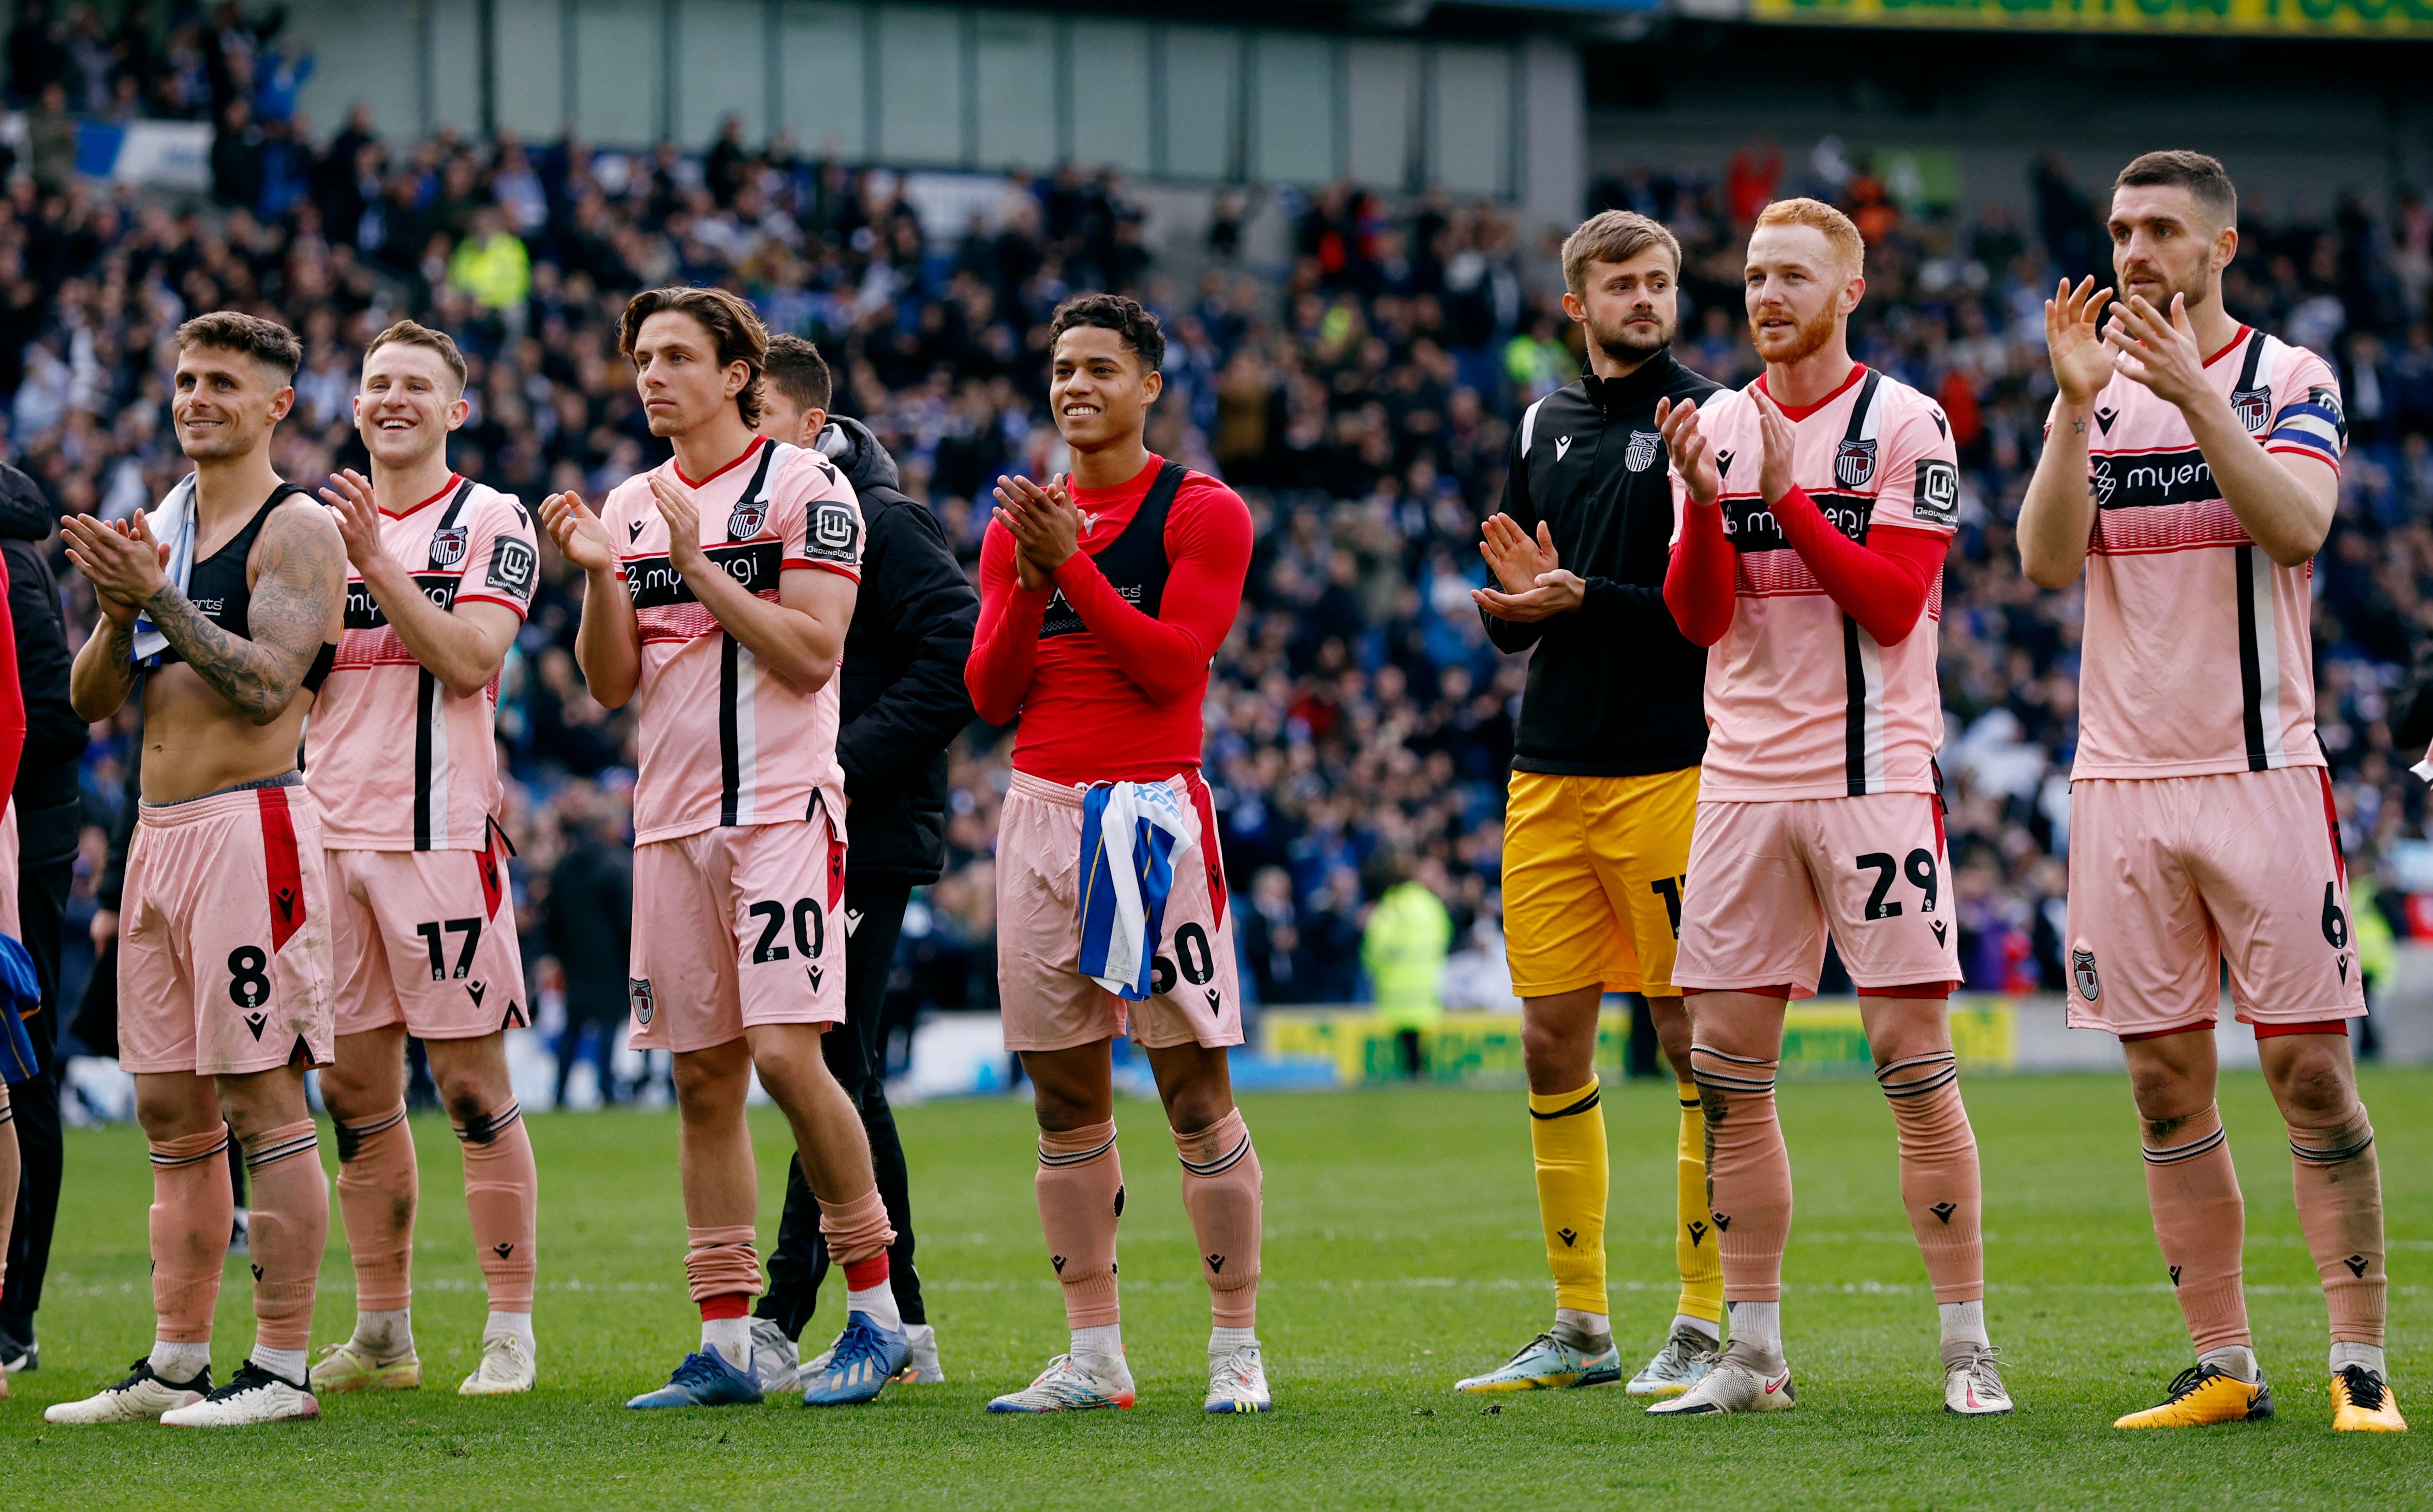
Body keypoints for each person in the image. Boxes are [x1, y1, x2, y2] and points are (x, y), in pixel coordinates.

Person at [2016, 151, 2404, 1433]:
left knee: (2305, 1072)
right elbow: (2042, 559)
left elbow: (2294, 527)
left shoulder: (2289, 378)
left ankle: (2359, 1360)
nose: (2132, 250)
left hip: (2260, 772)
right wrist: (2075, 410)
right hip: (2120, 782)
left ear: (2218, 247)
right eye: (2120, 228)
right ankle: (2223, 1363)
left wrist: (2193, 397)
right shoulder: (2094, 391)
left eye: (2160, 230)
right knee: (2162, 1083)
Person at [1653, 199, 2009, 1417]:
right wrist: (1704, 501)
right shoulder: (1704, 427)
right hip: (1741, 783)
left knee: (1908, 1060)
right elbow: (1697, 619)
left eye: (1793, 275)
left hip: (1871, 779)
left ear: (1846, 290)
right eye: (1753, 275)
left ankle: (1965, 1344)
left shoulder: (1907, 423)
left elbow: (1894, 605)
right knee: (1726, 1075)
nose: (1766, 294)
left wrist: (1791, 495)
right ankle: (1751, 1355)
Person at [540, 286, 904, 1410]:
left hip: (784, 808)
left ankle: (878, 1314)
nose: (651, 375)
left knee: (792, 1058)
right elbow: (609, 685)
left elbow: (809, 654)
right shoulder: (633, 502)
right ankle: (728, 1341)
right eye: (641, 357)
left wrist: (699, 570)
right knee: (702, 1079)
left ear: (738, 373)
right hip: (672, 821)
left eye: (676, 357)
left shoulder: (808, 488)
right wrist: (605, 573)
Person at [965, 294, 1264, 1415]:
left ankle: (1233, 1349)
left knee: (1190, 1092)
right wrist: (1036, 570)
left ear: (1148, 385)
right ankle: (1095, 1355)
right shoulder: (1017, 524)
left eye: (1099, 366)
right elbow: (990, 694)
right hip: (1039, 807)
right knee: (1062, 1100)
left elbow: (1171, 669)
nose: (1074, 384)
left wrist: (1073, 568)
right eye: (1060, 367)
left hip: (1147, 817)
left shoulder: (1203, 510)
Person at [48, 311, 346, 1428]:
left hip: (250, 824)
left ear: (278, 404)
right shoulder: (162, 522)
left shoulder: (299, 526)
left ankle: (279, 1370)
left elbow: (271, 684)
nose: (195, 398)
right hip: (156, 837)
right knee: (169, 1110)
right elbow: (90, 701)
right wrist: (118, 609)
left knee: (263, 1098)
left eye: (223, 381)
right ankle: (176, 1361)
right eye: (183, 378)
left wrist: (157, 595)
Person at [1454, 210, 1726, 1399]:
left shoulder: (1710, 420)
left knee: (1690, 1039)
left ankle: (1706, 1319)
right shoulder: (1540, 420)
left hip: (1669, 763)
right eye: (1619, 283)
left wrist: (1577, 597)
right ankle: (1579, 1323)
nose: (1642, 299)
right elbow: (1533, 601)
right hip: (1547, 767)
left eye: (1657, 280)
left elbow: (1705, 614)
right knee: (1547, 1036)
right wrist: (1508, 609)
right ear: (1575, 303)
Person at [301, 320, 543, 1399]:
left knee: (467, 1086)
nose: (391, 399)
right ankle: (385, 1336)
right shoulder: (308, 528)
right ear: (355, 407)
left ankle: (508, 1329)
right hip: (325, 839)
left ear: (457, 408)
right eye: (375, 384)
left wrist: (371, 566)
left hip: (440, 839)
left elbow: (466, 658)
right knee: (354, 1091)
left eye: (416, 386)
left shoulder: (492, 519)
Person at [745, 335, 977, 1392]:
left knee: (829, 1061)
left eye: (751, 415)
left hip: (858, 827)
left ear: (801, 421)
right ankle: (885, 1323)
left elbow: (957, 660)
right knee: (832, 1063)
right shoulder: (763, 520)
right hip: (791, 824)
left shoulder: (882, 522)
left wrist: (835, 765)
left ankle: (798, 1315)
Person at [0, 459, 82, 1377]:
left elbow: (53, 718)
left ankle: (12, 1311)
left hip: (21, 842)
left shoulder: (12, 560)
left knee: (18, 1069)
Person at [543, 784, 634, 1108]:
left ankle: (559, 1092)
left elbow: (551, 916)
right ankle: (606, 1090)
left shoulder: (564, 865)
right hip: (611, 960)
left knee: (574, 1025)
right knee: (608, 1026)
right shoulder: (619, 864)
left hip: (575, 960)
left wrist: (558, 953)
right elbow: (628, 917)